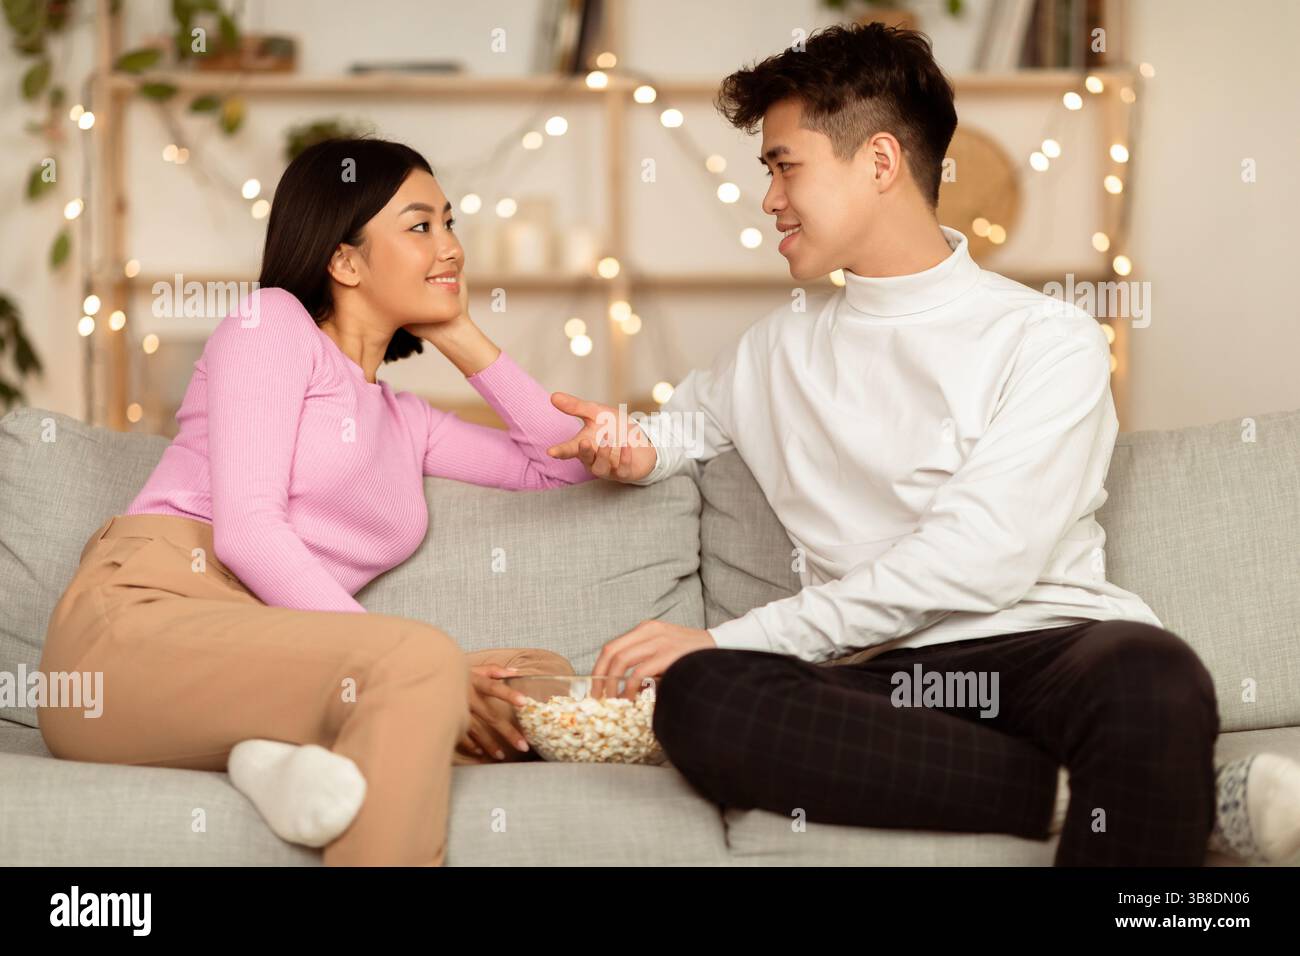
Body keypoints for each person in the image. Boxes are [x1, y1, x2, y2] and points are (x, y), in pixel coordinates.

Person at [546, 23, 1300, 866]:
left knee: (1152, 675)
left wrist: (733, 634)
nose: (768, 199)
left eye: (784, 165)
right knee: (702, 701)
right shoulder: (776, 348)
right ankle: (1124, 797)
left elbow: (978, 559)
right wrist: (631, 447)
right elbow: (678, 429)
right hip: (877, 682)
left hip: (1047, 650)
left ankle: (1126, 780)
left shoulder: (1047, 338)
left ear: (878, 162)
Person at [38, 137, 594, 866]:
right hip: (140, 627)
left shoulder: (405, 421)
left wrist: (460, 334)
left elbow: (564, 466)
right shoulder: (270, 325)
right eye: (421, 226)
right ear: (344, 261)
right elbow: (248, 534)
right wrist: (409, 665)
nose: (452, 246)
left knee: (536, 683)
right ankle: (290, 746)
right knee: (424, 662)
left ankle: (268, 757)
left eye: (450, 223)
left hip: (268, 655)